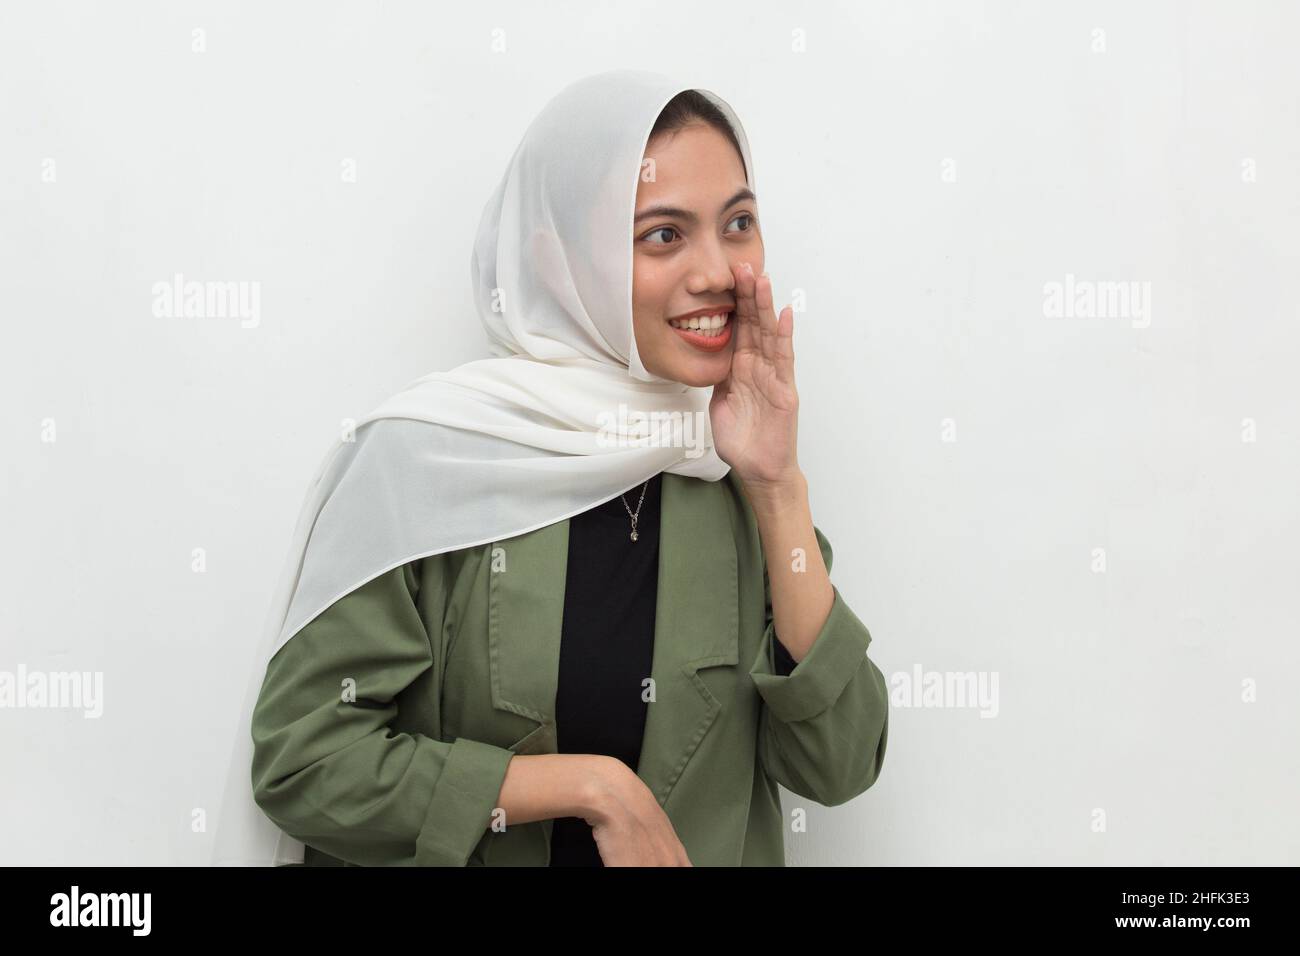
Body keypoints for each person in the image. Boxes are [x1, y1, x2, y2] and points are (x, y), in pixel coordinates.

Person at [210, 69, 889, 867]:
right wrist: (584, 787)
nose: (715, 271)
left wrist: (779, 489)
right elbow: (307, 763)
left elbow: (839, 764)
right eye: (663, 235)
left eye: (738, 223)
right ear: (562, 257)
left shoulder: (730, 473)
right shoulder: (426, 458)